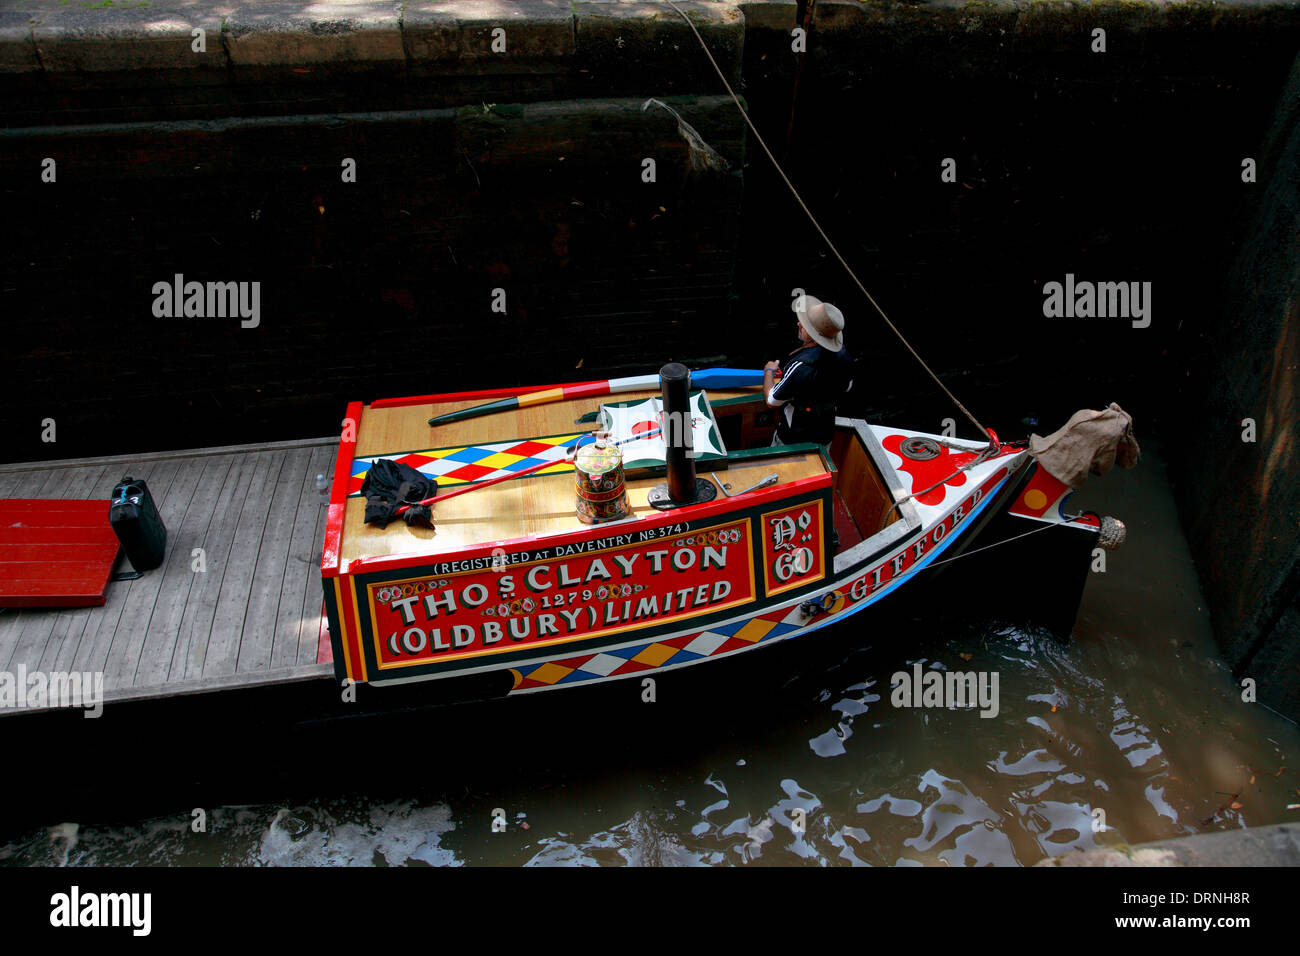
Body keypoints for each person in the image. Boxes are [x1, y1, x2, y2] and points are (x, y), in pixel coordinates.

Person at [764, 294, 854, 446]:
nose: (799, 323)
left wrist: (769, 372)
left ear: (814, 335)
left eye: (805, 325)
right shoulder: (844, 356)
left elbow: (772, 401)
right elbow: (847, 387)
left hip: (792, 438)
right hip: (824, 435)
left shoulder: (801, 366)